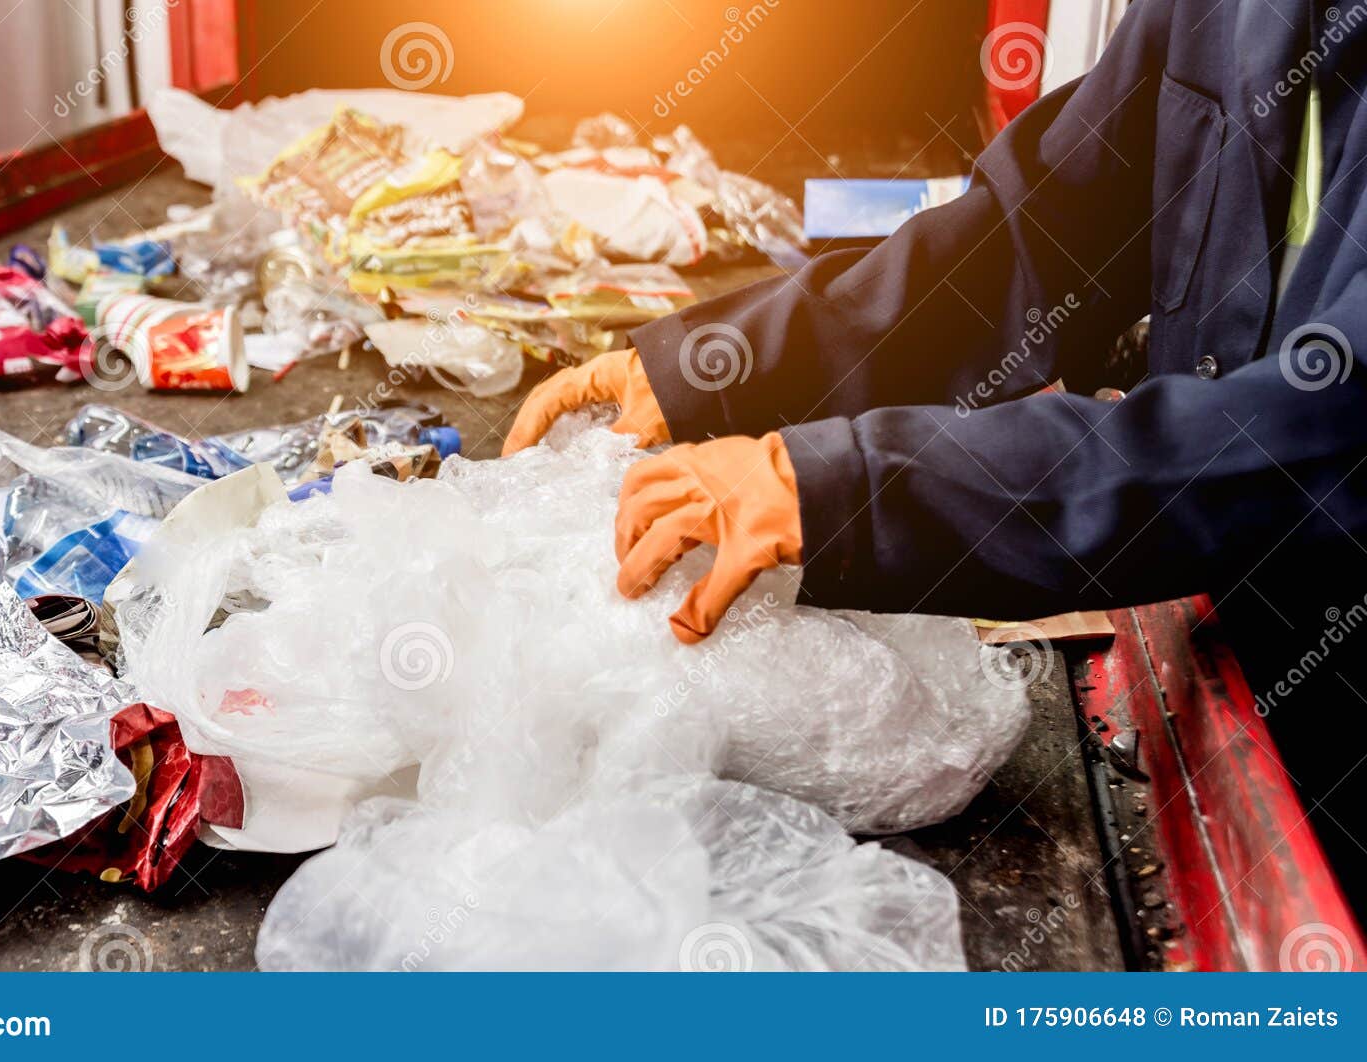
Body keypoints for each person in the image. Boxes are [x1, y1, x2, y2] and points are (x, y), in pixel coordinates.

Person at [504, 0, 1367, 904]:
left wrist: (858, 487)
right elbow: (1031, 236)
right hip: (1210, 641)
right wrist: (715, 368)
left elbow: (1318, 435)